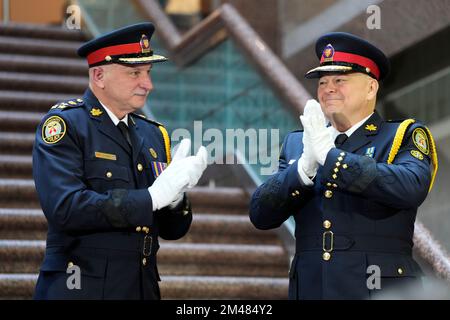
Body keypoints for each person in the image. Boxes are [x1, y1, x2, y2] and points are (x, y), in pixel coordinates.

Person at [249, 32, 438, 300]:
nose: (328, 88)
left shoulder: (401, 136)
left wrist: (331, 157)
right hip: (312, 289)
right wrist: (303, 169)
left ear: (371, 88)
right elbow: (260, 214)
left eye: (340, 80)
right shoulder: (297, 144)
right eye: (323, 81)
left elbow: (411, 186)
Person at [32, 22, 208, 299]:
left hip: (141, 286)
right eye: (134, 73)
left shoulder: (154, 134)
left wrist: (175, 199)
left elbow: (173, 231)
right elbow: (64, 207)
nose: (148, 84)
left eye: (148, 72)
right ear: (99, 76)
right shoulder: (66, 125)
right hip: (80, 286)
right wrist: (151, 197)